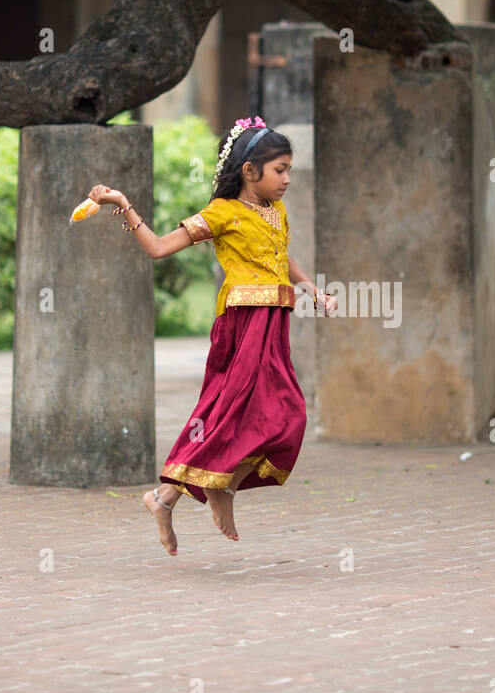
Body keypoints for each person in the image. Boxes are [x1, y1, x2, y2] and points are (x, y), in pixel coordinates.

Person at [86, 117, 338, 556]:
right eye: (280, 170)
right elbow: (159, 248)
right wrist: (123, 204)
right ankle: (217, 488)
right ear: (249, 170)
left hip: (274, 323)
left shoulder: (275, 211)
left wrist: (312, 289)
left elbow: (281, 256)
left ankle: (167, 498)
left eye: (289, 170)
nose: (287, 179)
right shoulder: (222, 214)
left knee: (286, 415)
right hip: (242, 324)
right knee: (228, 414)